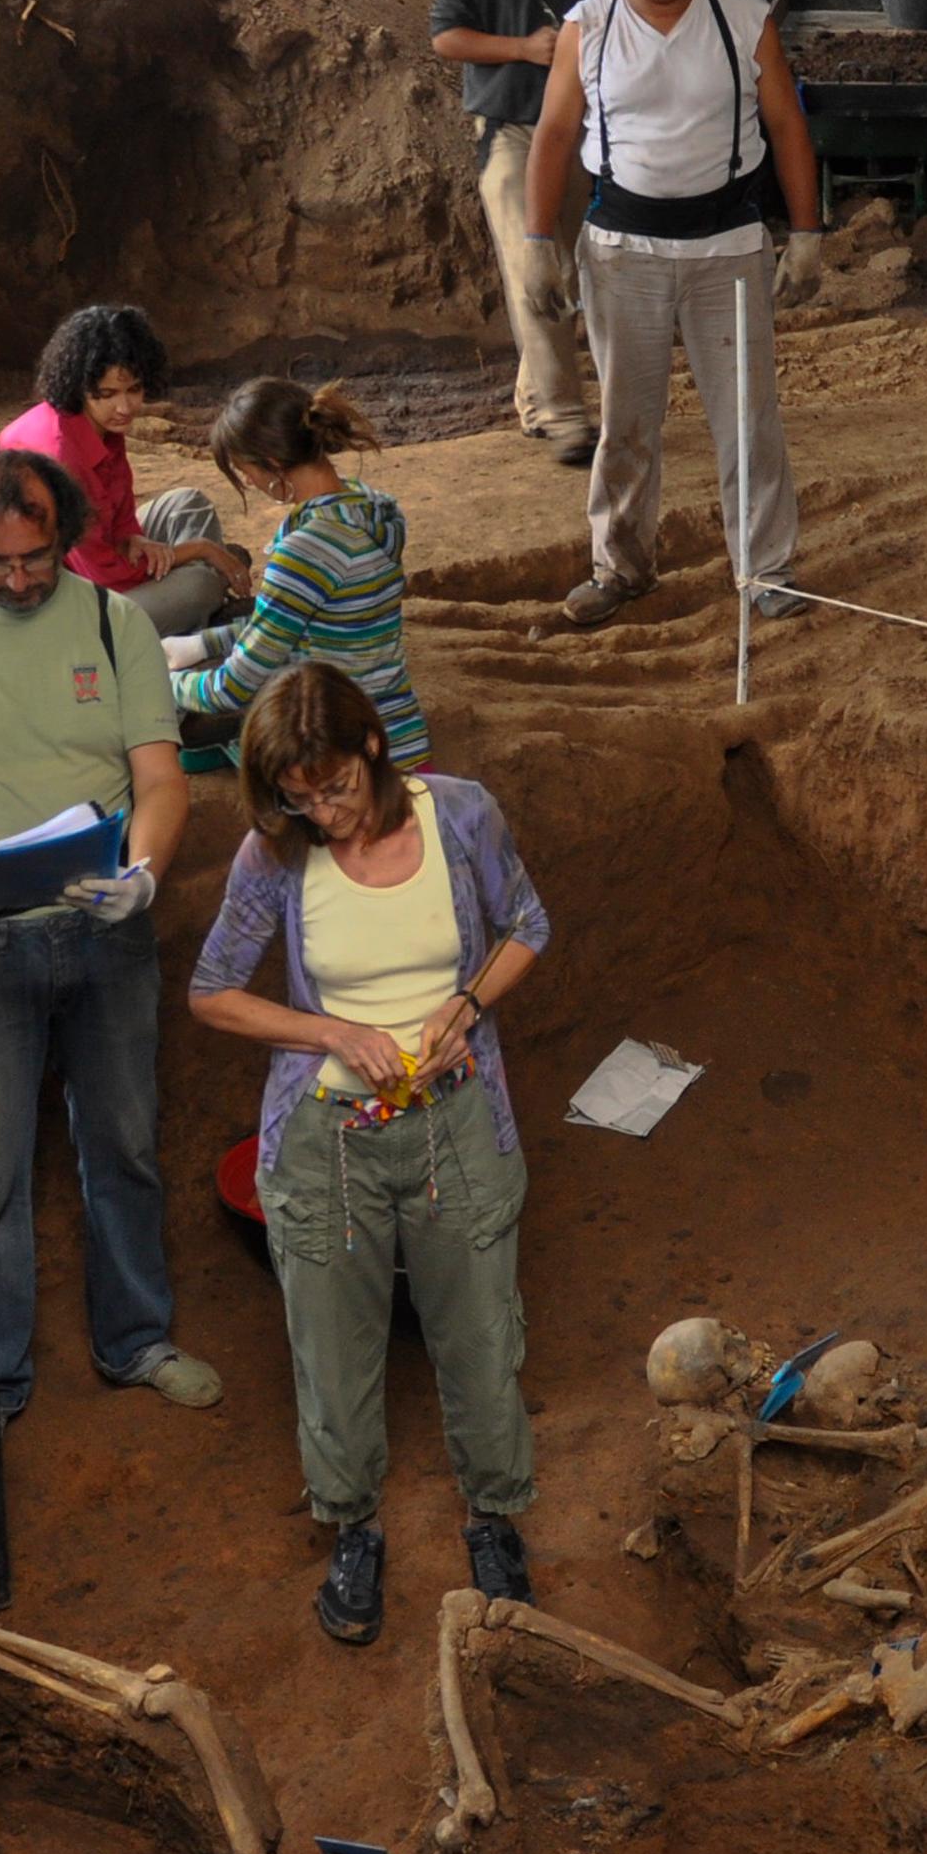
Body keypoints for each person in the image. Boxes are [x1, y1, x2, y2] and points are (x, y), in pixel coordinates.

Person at [0, 447, 222, 1419]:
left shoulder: (113, 626)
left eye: (35, 558)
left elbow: (160, 777)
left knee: (125, 1145)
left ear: (64, 536)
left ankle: (137, 1338)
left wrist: (143, 874)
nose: (17, 579)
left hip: (103, 930)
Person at [188, 664, 549, 1645]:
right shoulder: (274, 856)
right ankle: (352, 1526)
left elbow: (528, 924)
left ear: (374, 749)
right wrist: (327, 1032)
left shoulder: (460, 815)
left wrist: (465, 1005)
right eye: (298, 797)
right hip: (325, 1142)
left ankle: (493, 1515)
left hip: (456, 1120)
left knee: (478, 1331)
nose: (323, 811)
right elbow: (212, 988)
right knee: (332, 1349)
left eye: (334, 786)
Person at [528, 0, 827, 630]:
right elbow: (556, 135)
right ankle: (621, 566)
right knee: (627, 420)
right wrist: (538, 242)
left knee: (747, 415)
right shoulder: (588, 26)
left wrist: (807, 232)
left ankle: (765, 568)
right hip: (624, 250)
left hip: (728, 246)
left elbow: (788, 126)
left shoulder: (742, 17)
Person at [429, 0, 629, 465]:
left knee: (566, 270)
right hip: (510, 130)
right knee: (531, 263)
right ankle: (567, 416)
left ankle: (533, 397)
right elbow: (445, 36)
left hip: (583, 132)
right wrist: (522, 48)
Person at [173, 378, 429, 771]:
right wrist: (201, 645)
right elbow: (303, 625)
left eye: (246, 472)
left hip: (342, 760)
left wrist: (165, 684)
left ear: (273, 466)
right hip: (399, 734)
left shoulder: (307, 549)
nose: (249, 484)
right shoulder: (372, 507)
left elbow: (231, 689)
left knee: (191, 719)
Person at [0, 304, 254, 639]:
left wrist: (135, 539)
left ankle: (198, 600)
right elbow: (104, 576)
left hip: (96, 563)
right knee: (199, 586)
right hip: (64, 609)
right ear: (79, 386)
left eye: (134, 390)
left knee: (187, 504)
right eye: (107, 394)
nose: (125, 407)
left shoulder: (97, 424)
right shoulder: (61, 455)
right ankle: (203, 599)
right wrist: (200, 550)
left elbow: (117, 519)